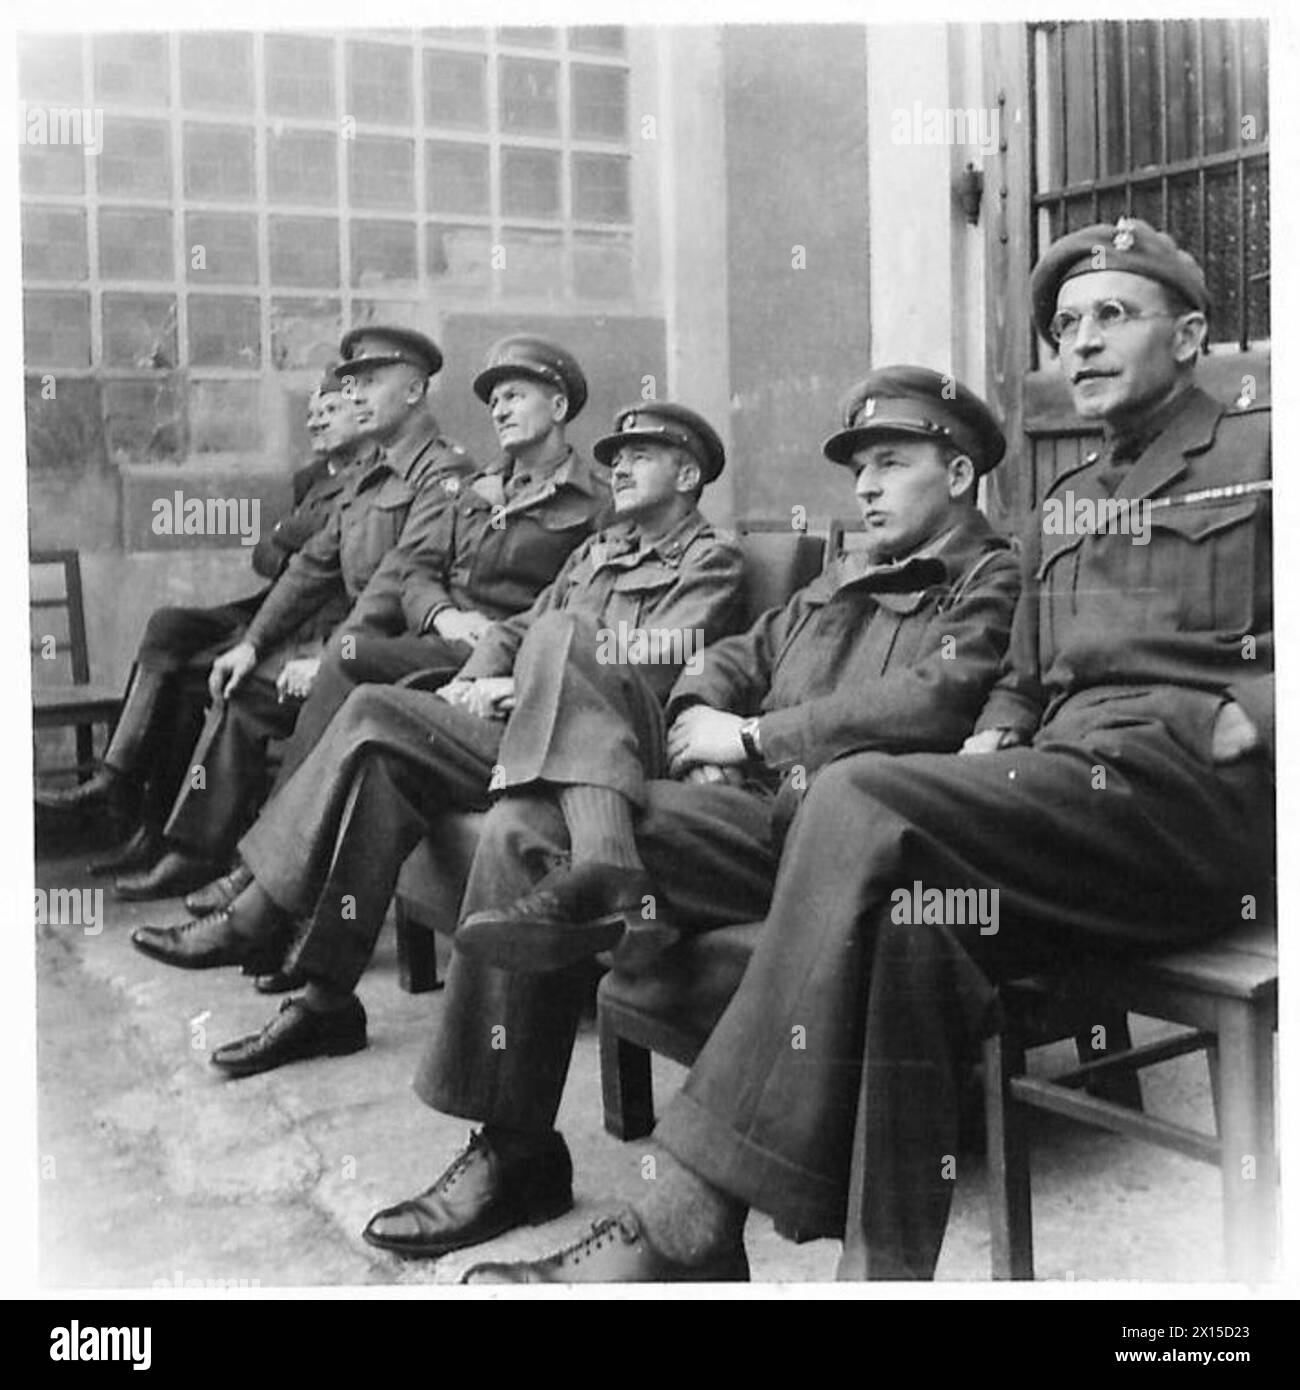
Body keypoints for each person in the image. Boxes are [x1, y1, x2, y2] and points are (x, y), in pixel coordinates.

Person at [454, 217, 1273, 1283]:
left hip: (1191, 798)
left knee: (856, 795)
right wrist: (987, 745)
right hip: (1063, 791)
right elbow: (1020, 679)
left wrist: (1261, 705)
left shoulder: (1263, 452)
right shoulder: (1064, 505)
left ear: (1192, 332)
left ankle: (690, 1212)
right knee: (905, 928)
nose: (1079, 341)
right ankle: (878, 1277)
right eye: (1065, 323)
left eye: (1112, 315)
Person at [361, 366, 1023, 1266]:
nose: (864, 486)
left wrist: (751, 737)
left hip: (834, 843)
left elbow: (936, 699)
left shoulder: (989, 577)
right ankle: (515, 1150)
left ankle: (608, 873)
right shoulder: (839, 575)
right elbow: (730, 658)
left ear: (957, 476)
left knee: (548, 766)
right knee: (532, 794)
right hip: (737, 815)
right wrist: (696, 723)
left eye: (891, 462)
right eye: (858, 466)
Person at [130, 402, 748, 1082]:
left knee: (376, 710)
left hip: (610, 754)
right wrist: (474, 677)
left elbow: (651, 663)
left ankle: (258, 912)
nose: (620, 467)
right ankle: (325, 998)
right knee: (384, 761)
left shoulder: (712, 560)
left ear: (688, 474)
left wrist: (515, 687)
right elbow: (517, 629)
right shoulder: (597, 550)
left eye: (641, 456)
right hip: (528, 733)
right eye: (617, 456)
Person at [181, 334, 611, 927]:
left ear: (559, 408)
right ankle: (254, 876)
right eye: (494, 401)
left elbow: (577, 602)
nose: (501, 411)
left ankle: (262, 884)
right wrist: (442, 613)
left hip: (503, 664)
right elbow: (411, 571)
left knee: (352, 662)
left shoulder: (598, 505)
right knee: (332, 668)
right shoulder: (476, 488)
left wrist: (493, 639)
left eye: (515, 396)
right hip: (440, 639)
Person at [114, 327, 476, 901]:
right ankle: (201, 854)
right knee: (245, 690)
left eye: (370, 382)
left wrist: (331, 658)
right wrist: (252, 643)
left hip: (406, 659)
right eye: (350, 383)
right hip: (355, 648)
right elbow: (312, 565)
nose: (355, 395)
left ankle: (263, 885)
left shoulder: (445, 475)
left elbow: (396, 584)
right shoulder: (368, 475)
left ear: (413, 392)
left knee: (286, 699)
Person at [34, 365, 365, 876]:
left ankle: (165, 838)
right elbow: (268, 554)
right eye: (311, 414)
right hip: (273, 607)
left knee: (191, 684)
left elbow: (337, 561)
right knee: (169, 625)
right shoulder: (311, 481)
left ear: (363, 414)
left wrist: (293, 544)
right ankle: (118, 781)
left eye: (330, 411)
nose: (316, 423)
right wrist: (295, 547)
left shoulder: (375, 477)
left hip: (319, 624)